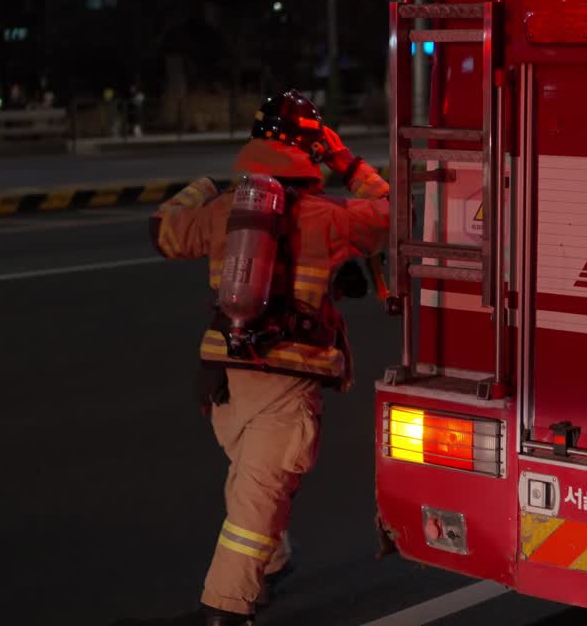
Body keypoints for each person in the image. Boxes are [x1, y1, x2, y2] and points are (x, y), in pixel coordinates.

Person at [115, 91, 389, 626]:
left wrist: (203, 187)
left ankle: (270, 565)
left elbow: (162, 230)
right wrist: (343, 160)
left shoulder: (224, 211)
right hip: (285, 381)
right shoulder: (327, 218)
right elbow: (393, 211)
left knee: (251, 485)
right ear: (310, 149)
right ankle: (225, 608)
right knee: (254, 508)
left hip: (223, 380)